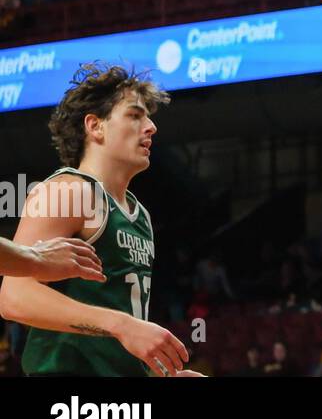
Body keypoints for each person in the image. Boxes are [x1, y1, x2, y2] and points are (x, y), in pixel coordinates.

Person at [0, 63, 201, 376]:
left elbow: (116, 339)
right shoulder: (68, 190)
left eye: (148, 117)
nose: (151, 127)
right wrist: (120, 324)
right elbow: (14, 296)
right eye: (135, 115)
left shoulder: (140, 216)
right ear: (95, 126)